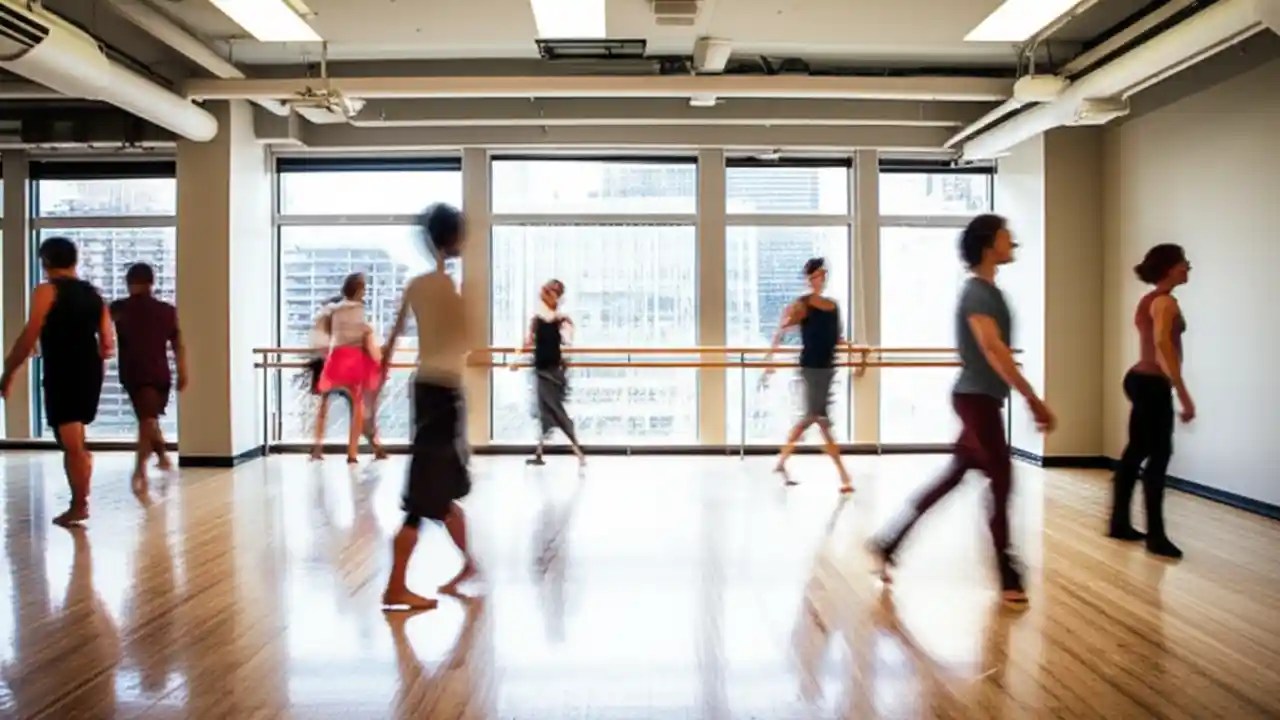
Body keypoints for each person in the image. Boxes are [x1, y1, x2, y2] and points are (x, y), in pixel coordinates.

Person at [866, 214, 1054, 607]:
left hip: (981, 398)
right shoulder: (976, 294)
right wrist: (1032, 397)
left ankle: (888, 543)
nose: (1012, 241)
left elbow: (995, 350)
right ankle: (1007, 574)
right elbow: (992, 348)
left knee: (955, 478)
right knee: (1001, 480)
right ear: (989, 243)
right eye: (1006, 235)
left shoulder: (991, 291)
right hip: (976, 399)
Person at [380, 203, 481, 610]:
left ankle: (469, 564)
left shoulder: (418, 285)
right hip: (444, 394)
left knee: (442, 490)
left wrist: (371, 403)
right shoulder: (453, 290)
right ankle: (395, 587)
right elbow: (466, 342)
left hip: (425, 391)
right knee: (423, 498)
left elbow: (391, 344)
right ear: (454, 239)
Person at [0, 237, 112, 527]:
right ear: (74, 260)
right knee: (73, 438)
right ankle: (80, 496)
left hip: (64, 369)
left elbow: (29, 334)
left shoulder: (47, 290)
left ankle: (80, 504)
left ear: (46, 261)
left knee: (72, 442)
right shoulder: (94, 295)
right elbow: (107, 343)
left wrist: (9, 371)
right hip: (89, 369)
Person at [1107, 244, 1193, 559]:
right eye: (1184, 262)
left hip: (1140, 380)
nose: (1188, 267)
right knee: (1159, 456)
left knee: (1135, 454)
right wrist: (1182, 393)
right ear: (1169, 267)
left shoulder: (1149, 300)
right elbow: (1161, 344)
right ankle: (1156, 536)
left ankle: (1119, 523)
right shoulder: (1165, 302)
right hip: (1153, 384)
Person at [762, 257, 852, 493]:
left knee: (811, 418)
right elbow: (782, 329)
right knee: (819, 418)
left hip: (828, 367)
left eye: (822, 275)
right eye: (814, 276)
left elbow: (836, 338)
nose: (819, 280)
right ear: (808, 278)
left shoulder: (833, 306)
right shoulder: (802, 304)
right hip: (811, 369)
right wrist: (770, 358)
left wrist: (854, 349)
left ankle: (782, 461)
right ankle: (844, 475)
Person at [110, 263, 187, 492]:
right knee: (149, 419)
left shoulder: (119, 308)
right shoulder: (166, 311)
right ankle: (161, 456)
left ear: (128, 283)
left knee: (147, 420)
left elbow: (101, 331)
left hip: (134, 372)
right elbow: (177, 344)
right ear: (152, 283)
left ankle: (140, 468)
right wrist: (183, 371)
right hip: (158, 371)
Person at [312, 273, 386, 463]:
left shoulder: (334, 310)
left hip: (335, 358)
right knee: (358, 407)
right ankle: (352, 452)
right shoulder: (359, 310)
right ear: (360, 290)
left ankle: (317, 447)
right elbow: (363, 336)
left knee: (323, 404)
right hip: (353, 360)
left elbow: (330, 334)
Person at [519, 279, 585, 466]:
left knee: (554, 410)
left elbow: (566, 344)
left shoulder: (559, 320)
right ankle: (540, 452)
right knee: (544, 410)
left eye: (551, 292)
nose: (546, 294)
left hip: (551, 372)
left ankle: (578, 449)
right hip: (543, 370)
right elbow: (528, 343)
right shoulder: (541, 320)